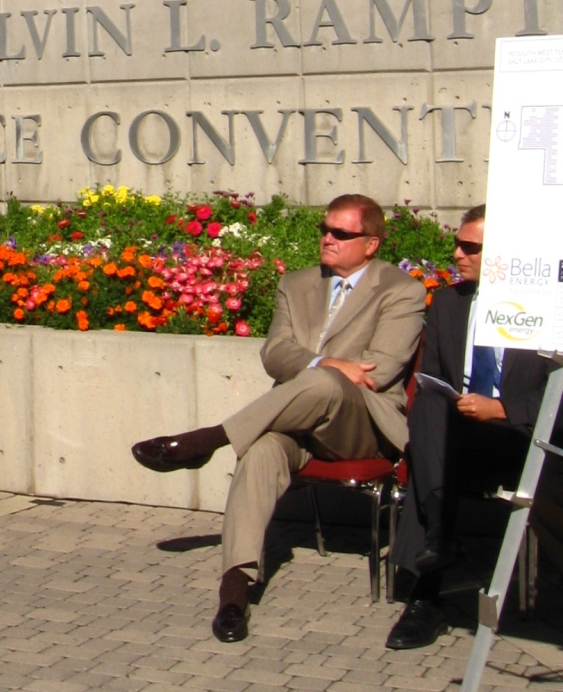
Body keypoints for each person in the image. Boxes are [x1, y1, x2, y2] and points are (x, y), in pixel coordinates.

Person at [132, 194, 425, 643]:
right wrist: (329, 362)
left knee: (326, 383)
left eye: (340, 233)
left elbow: (378, 372)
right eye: (324, 229)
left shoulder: (401, 290)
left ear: (371, 244)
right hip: (298, 419)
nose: (327, 239)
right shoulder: (297, 283)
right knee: (262, 449)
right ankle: (234, 592)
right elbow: (275, 354)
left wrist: (319, 367)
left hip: (360, 424)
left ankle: (208, 439)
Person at [386, 205, 556, 650]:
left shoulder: (548, 310)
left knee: (431, 461)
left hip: (523, 437)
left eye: (471, 247)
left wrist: (499, 409)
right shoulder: (448, 302)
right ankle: (434, 566)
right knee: (428, 411)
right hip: (456, 434)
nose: (457, 254)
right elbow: (435, 378)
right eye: (457, 244)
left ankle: (428, 582)